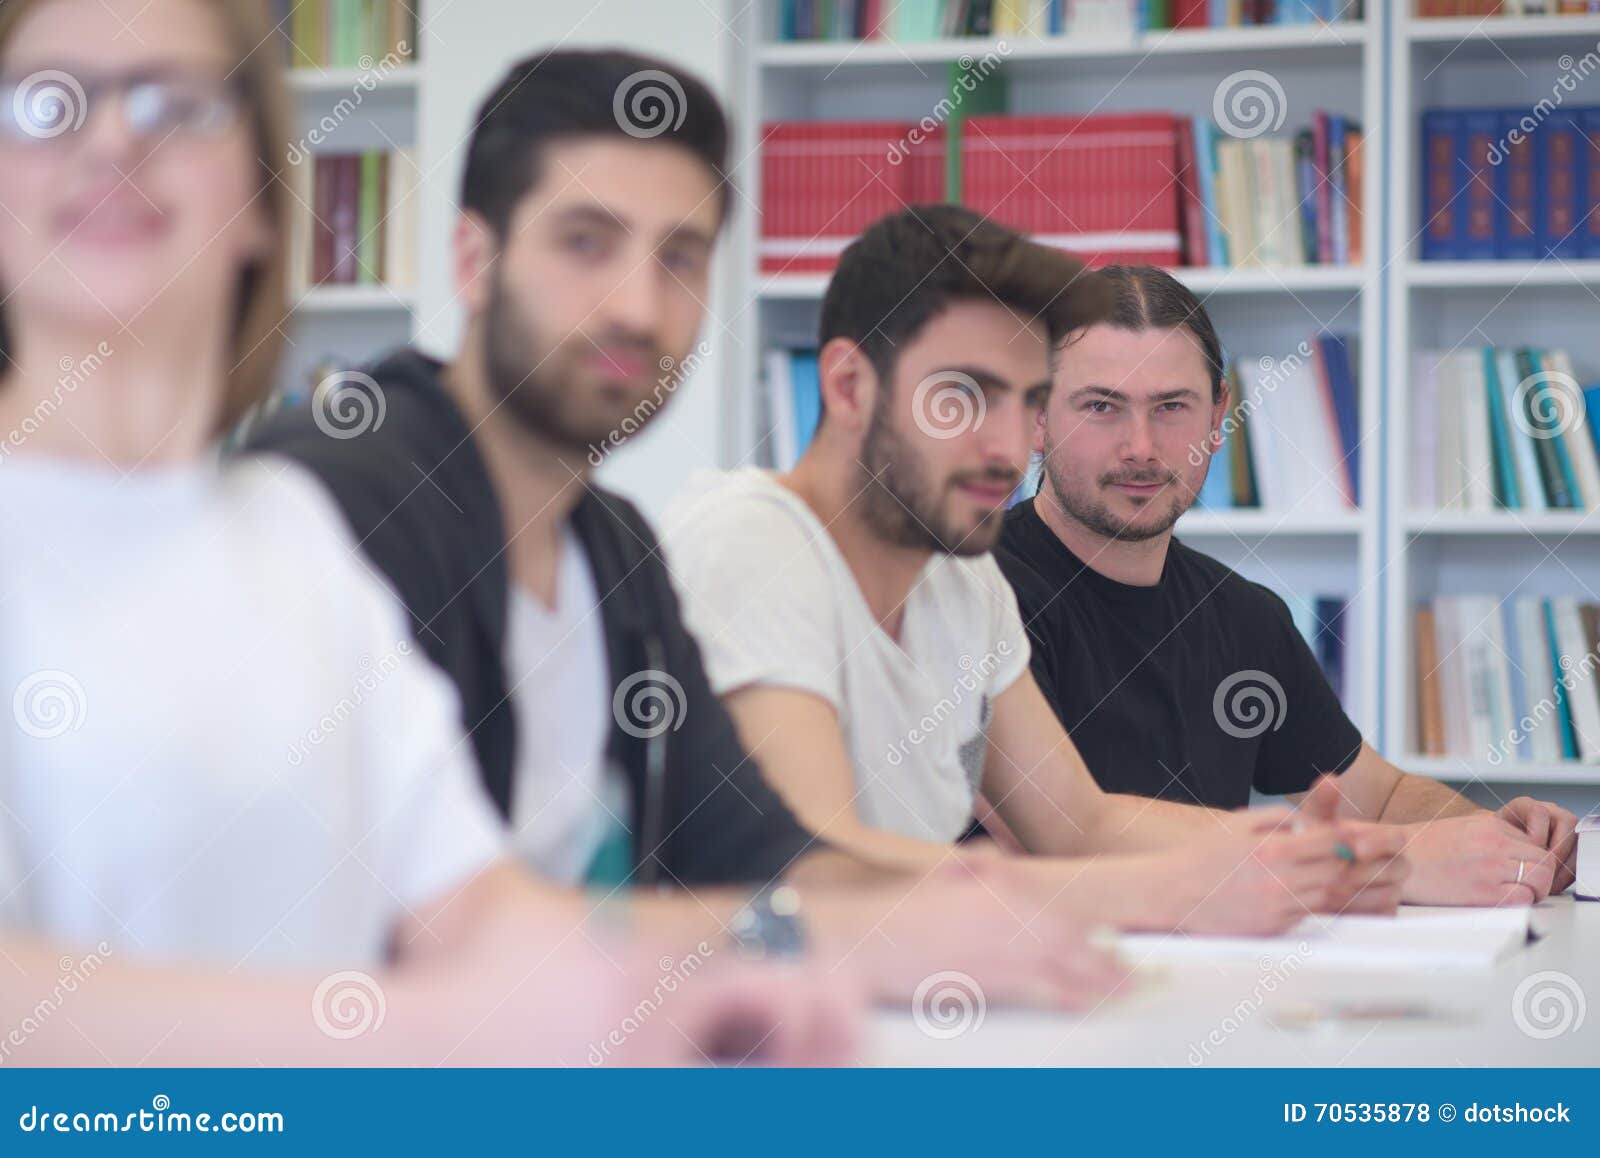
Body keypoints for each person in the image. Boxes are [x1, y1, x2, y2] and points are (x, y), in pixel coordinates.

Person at [0, 0, 857, 1065]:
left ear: (265, 197)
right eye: (44, 104)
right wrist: (443, 1025)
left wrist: (687, 990)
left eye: (177, 105)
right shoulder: (351, 489)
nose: (115, 139)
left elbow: (475, 912)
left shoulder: (286, 535)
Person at [248, 48, 1128, 1008]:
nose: (637, 306)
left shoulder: (618, 553)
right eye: (586, 241)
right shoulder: (330, 501)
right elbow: (425, 932)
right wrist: (842, 931)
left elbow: (761, 855)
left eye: (680, 257)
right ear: (473, 259)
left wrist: (973, 913)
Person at [661, 204, 1411, 936]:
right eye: (966, 396)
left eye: (1027, 402)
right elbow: (818, 864)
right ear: (851, 386)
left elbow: (1079, 822)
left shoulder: (964, 578)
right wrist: (1173, 888)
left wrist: (1292, 855)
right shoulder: (750, 540)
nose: (1007, 445)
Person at [993, 263, 1577, 907]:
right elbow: (1057, 832)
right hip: (1029, 994)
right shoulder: (969, 595)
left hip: (1209, 986)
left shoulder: (1245, 617)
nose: (1142, 447)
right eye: (1102, 406)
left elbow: (1377, 797)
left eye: (1171, 407)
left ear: (1218, 415)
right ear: (1036, 414)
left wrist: (1494, 839)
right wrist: (1391, 861)